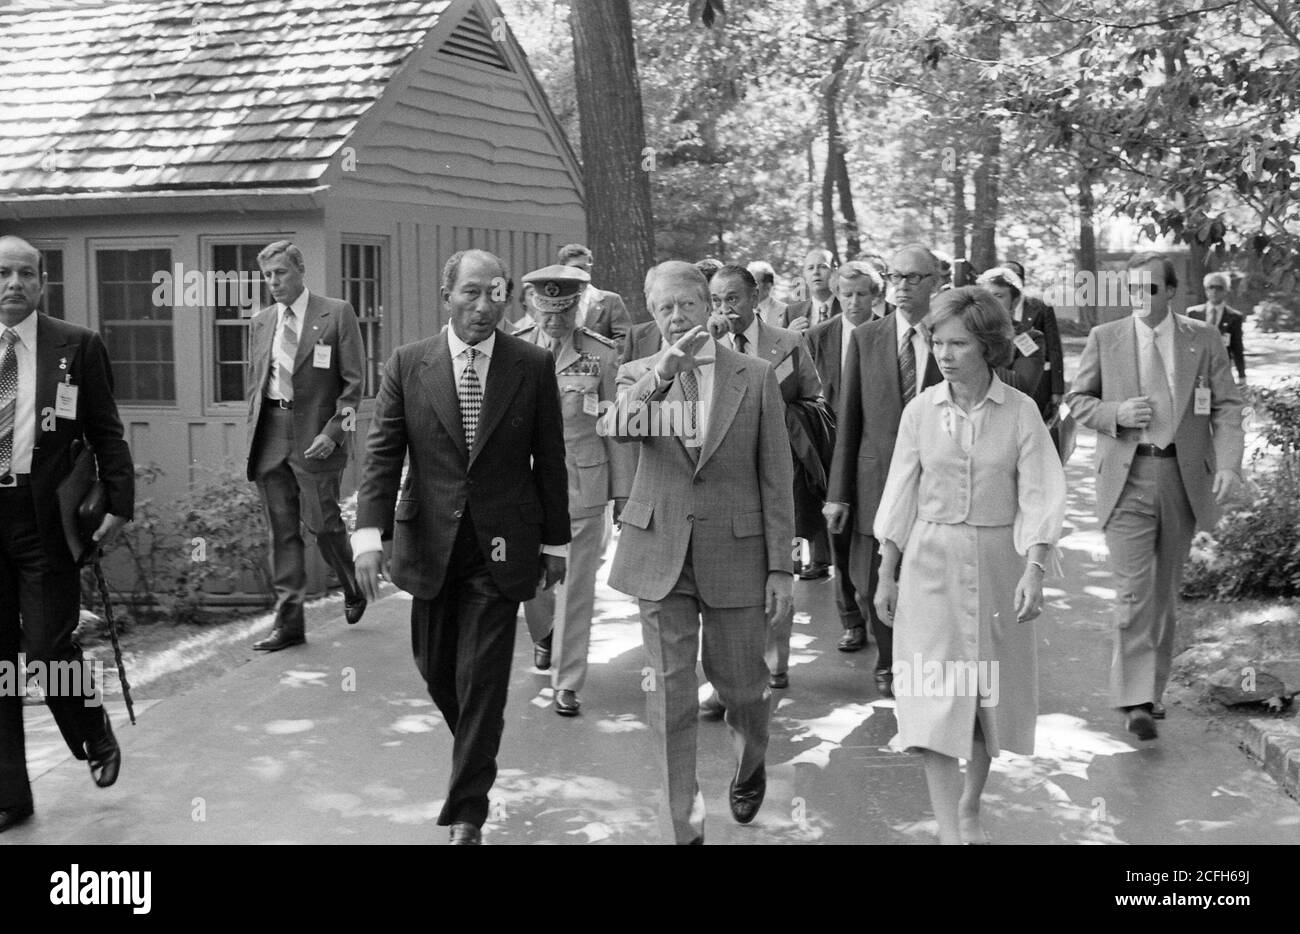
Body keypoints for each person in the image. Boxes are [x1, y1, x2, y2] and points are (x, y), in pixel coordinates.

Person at [352, 249, 570, 845]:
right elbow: (382, 456)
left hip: (503, 547)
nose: (483, 306)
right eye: (470, 293)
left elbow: (549, 459)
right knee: (436, 668)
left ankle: (467, 812)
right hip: (430, 544)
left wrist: (556, 544)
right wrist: (369, 537)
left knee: (485, 680)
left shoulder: (530, 365)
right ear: (445, 295)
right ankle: (477, 748)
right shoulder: (407, 364)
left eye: (495, 293)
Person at [603, 261, 794, 844]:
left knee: (743, 687)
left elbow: (775, 474)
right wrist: (661, 373)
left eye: (686, 304)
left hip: (738, 552)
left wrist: (782, 566)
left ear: (707, 305)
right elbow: (616, 427)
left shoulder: (754, 374)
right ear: (652, 312)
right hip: (659, 552)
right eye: (664, 308)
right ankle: (683, 826)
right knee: (671, 693)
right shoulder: (636, 372)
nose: (677, 317)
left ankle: (751, 758)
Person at [873, 286, 1066, 845]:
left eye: (958, 343)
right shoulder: (920, 410)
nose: (945, 354)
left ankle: (971, 806)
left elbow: (1041, 494)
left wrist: (1035, 568)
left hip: (998, 562)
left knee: (983, 697)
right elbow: (900, 492)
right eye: (938, 342)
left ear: (987, 347)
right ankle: (950, 831)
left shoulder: (1021, 411)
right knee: (933, 697)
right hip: (930, 563)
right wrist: (887, 569)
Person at [1067, 252, 1243, 741]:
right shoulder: (1107, 338)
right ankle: (1135, 699)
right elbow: (1078, 401)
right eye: (1132, 290)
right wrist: (1116, 412)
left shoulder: (1202, 339)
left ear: (1170, 292)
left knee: (1164, 593)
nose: (1139, 298)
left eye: (1149, 289)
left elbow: (1227, 406)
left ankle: (1153, 690)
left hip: (1182, 477)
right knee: (1132, 592)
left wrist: (1228, 464)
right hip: (1127, 474)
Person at [0, 235, 134, 833]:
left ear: (42, 283)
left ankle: (92, 728)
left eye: (27, 274)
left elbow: (106, 429)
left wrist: (120, 501)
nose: (14, 284)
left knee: (48, 646)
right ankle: (9, 795)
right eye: (4, 273)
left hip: (42, 521)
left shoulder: (75, 347)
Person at [824, 245, 945, 698]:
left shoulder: (951, 335)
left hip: (937, 486)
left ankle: (927, 662)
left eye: (915, 277)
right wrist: (838, 493)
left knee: (929, 578)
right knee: (875, 579)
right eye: (897, 276)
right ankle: (890, 661)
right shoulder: (867, 338)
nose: (904, 285)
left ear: (936, 281)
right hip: (875, 481)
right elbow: (848, 419)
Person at [515, 266, 633, 716]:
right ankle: (544, 635)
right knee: (532, 581)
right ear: (532, 308)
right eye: (546, 313)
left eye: (563, 313)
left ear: (579, 308)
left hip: (583, 485)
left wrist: (621, 493)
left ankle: (567, 681)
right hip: (526, 489)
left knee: (577, 588)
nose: (554, 322)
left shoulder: (600, 357)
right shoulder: (516, 350)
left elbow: (614, 429)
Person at [705, 264, 825, 691]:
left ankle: (775, 662)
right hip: (725, 477)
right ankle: (732, 671)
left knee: (780, 566)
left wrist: (778, 412)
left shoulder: (789, 343)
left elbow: (817, 403)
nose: (725, 309)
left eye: (732, 299)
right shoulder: (706, 345)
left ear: (755, 298)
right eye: (717, 301)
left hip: (780, 474)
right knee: (730, 576)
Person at [245, 241, 367, 651]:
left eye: (280, 272)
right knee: (282, 534)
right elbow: (256, 385)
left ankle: (353, 586)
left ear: (300, 270)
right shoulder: (262, 322)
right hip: (271, 435)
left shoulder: (337, 312)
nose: (273, 282)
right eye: (267, 275)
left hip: (317, 433)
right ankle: (290, 625)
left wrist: (333, 433)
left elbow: (354, 388)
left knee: (323, 525)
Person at [805, 260, 884, 652]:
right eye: (846, 294)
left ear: (875, 296)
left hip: (873, 451)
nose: (853, 302)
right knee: (837, 538)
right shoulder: (819, 336)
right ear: (836, 295)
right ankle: (850, 619)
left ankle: (879, 613)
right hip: (830, 451)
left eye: (861, 294)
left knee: (872, 538)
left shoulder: (884, 336)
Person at [1004, 260, 1066, 450]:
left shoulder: (1039, 307)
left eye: (1015, 275)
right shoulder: (990, 308)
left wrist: (1057, 389)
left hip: (1037, 382)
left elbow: (1054, 347)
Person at [973, 265, 1049, 399]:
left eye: (998, 296)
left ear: (1014, 302)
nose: (990, 301)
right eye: (985, 296)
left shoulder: (1028, 338)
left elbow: (1019, 385)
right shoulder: (966, 332)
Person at [557, 243, 632, 352]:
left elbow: (626, 340)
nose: (582, 273)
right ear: (562, 270)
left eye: (586, 268)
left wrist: (602, 355)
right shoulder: (553, 301)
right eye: (576, 268)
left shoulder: (611, 301)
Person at [1186, 272, 1246, 383]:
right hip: (1197, 372)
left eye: (1219, 288)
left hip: (1221, 372)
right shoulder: (1193, 314)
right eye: (1211, 287)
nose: (1214, 291)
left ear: (1226, 291)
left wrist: (1241, 375)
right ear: (1206, 290)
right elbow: (1186, 344)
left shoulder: (1234, 317)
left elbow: (1237, 347)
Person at [782, 248, 841, 332]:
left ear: (834, 271)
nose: (815, 272)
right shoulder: (792, 313)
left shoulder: (847, 307)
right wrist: (789, 335)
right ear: (804, 274)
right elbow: (781, 344)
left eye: (823, 267)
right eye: (810, 268)